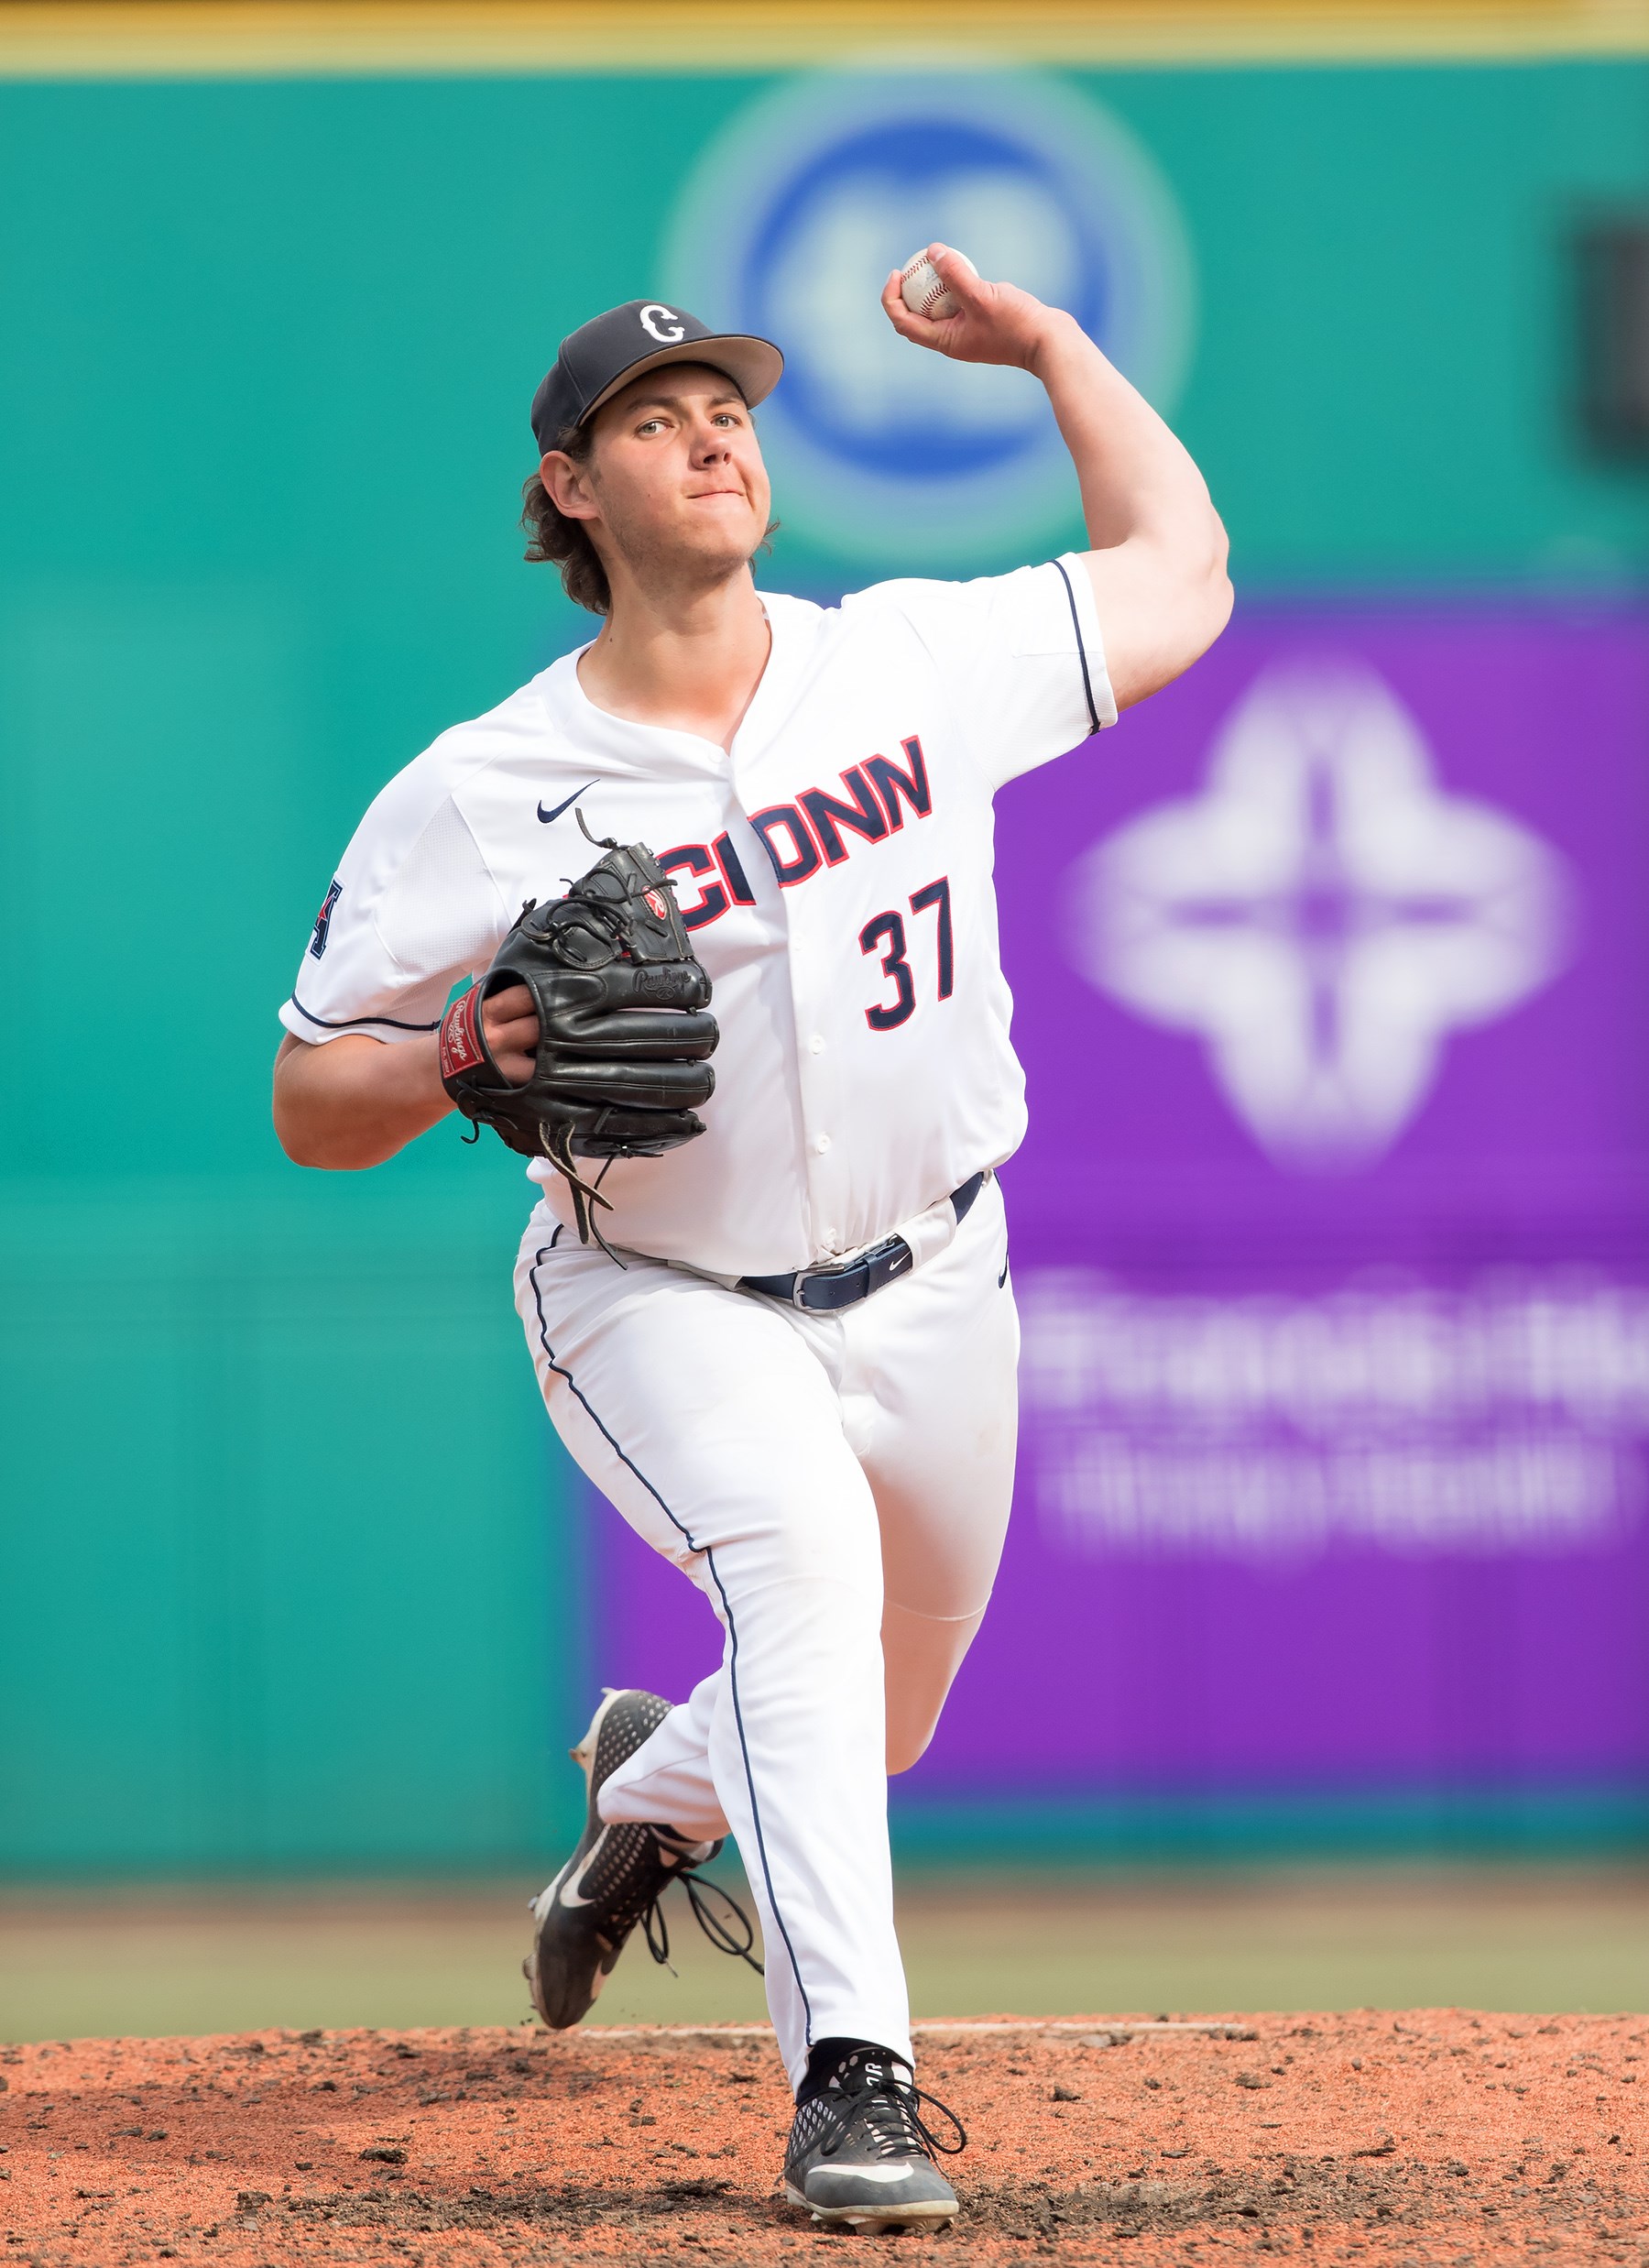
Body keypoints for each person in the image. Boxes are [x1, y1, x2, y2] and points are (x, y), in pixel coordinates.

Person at [272, 248, 1230, 2232]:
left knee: (889, 1705)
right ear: (570, 489)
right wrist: (456, 1047)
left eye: (729, 408)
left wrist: (1052, 345)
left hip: (940, 1268)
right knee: (799, 1563)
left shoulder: (905, 659)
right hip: (660, 1291)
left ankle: (656, 1798)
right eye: (653, 416)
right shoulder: (483, 786)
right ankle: (853, 2084)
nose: (710, 432)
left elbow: (1184, 570)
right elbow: (311, 1100)